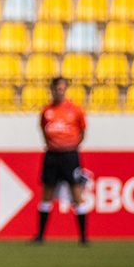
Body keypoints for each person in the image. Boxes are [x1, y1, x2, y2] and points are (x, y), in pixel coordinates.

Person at [32, 77, 89, 245]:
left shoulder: (76, 110)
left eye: (62, 88)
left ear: (66, 89)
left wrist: (71, 146)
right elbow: (43, 129)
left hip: (69, 155)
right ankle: (40, 235)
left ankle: (83, 237)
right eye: (57, 88)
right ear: (52, 89)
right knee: (46, 193)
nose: (60, 91)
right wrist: (53, 145)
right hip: (52, 155)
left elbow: (83, 131)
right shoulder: (47, 110)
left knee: (77, 192)